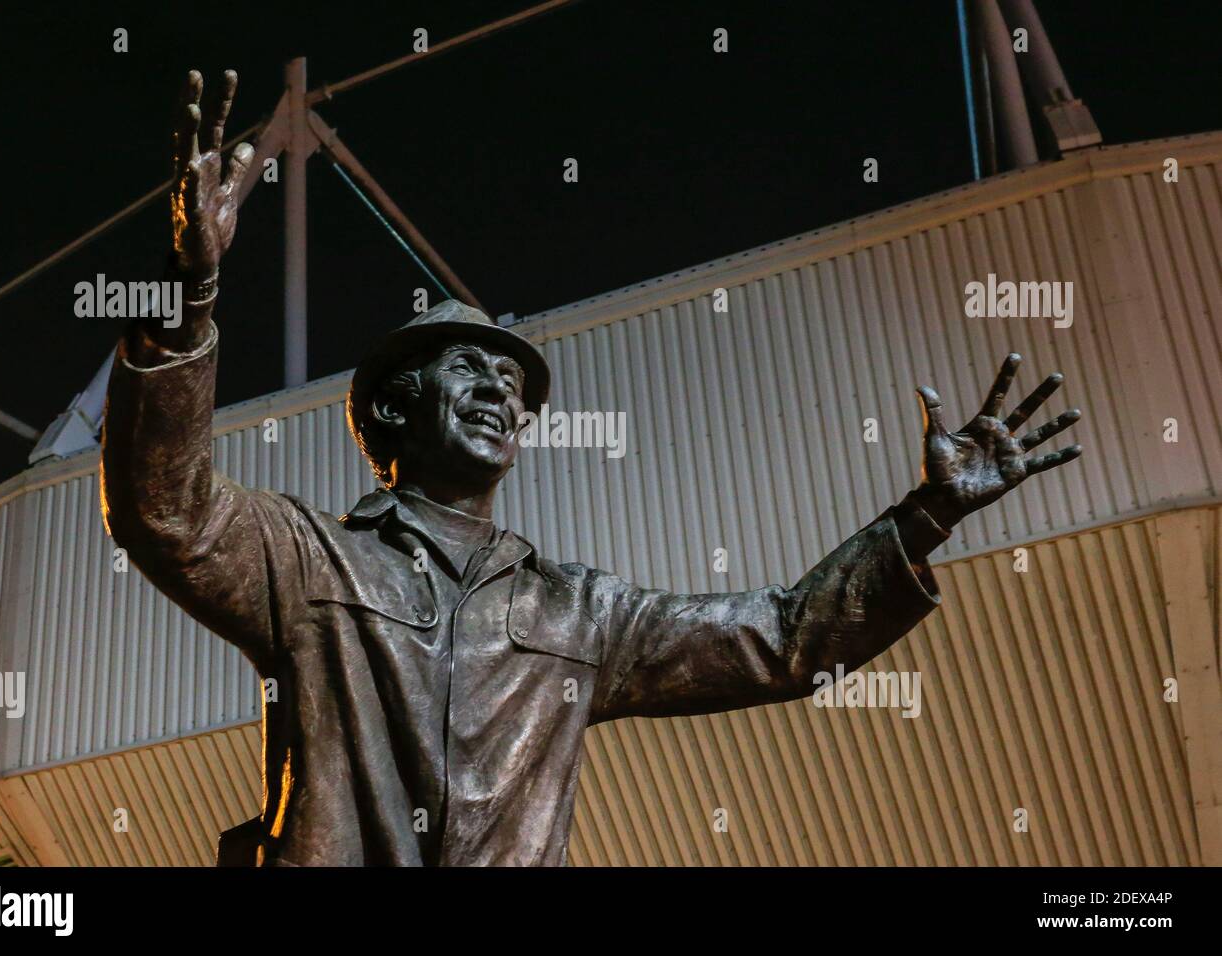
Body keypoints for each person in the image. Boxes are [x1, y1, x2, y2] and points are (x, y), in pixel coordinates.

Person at [100, 71, 1083, 865]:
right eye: (469, 370)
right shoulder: (309, 564)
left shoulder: (579, 612)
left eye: (511, 382)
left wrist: (925, 514)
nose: (499, 393)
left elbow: (781, 637)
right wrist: (194, 289)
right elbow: (167, 513)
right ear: (395, 404)